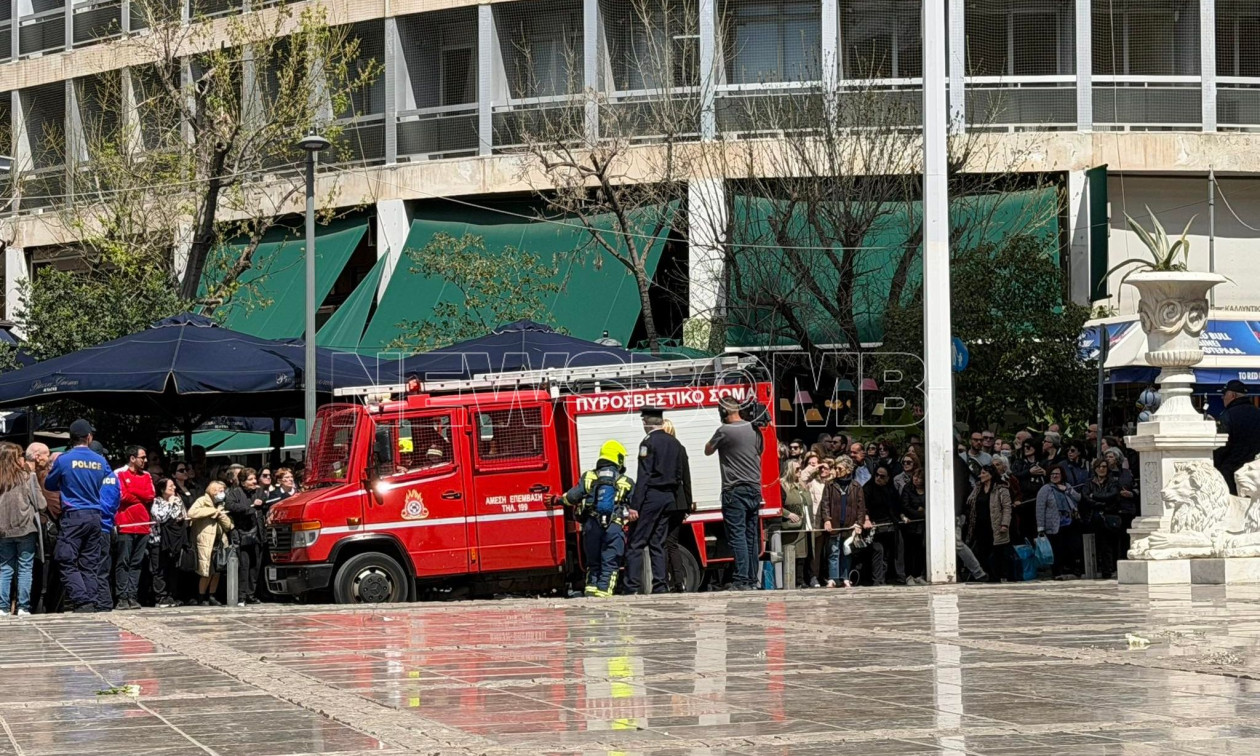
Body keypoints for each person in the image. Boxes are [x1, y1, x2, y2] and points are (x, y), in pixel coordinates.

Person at [44, 420, 111, 613]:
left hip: (73, 515)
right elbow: (105, 477)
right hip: (95, 515)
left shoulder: (64, 460)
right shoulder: (100, 460)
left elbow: (50, 485)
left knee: (65, 558)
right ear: (89, 437)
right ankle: (90, 600)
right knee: (89, 562)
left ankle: (82, 600)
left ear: (71, 438)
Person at [705, 397, 764, 591]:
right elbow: (760, 451)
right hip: (754, 489)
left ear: (723, 411)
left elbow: (708, 450)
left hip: (734, 490)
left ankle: (740, 580)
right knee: (751, 536)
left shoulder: (724, 431)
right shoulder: (755, 430)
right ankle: (751, 580)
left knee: (737, 536)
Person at [562, 440, 634, 597]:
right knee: (610, 565)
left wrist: (558, 500)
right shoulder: (625, 481)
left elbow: (573, 497)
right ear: (619, 459)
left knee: (593, 564)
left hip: (591, 527)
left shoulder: (588, 477)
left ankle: (590, 595)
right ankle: (603, 597)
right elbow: (636, 504)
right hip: (613, 527)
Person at [625, 407, 683, 595]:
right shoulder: (674, 442)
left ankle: (631, 586)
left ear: (645, 423)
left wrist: (635, 506)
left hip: (652, 496)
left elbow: (644, 476)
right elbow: (679, 472)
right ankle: (660, 585)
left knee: (636, 542)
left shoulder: (647, 443)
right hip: (669, 497)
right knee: (658, 542)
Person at [0, 442, 46, 616]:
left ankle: (2, 608)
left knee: (5, 568)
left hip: (3, 530)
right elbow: (41, 504)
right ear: (14, 458)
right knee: (25, 568)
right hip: (26, 529)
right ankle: (23, 607)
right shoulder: (28, 477)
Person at [112, 446, 155, 610]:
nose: (145, 461)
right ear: (132, 458)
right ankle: (122, 597)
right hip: (126, 524)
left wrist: (134, 492)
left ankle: (132, 595)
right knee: (123, 561)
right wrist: (139, 495)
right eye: (142, 457)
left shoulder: (147, 475)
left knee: (137, 563)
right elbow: (121, 495)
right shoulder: (119, 473)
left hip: (143, 525)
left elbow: (150, 495)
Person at [819, 457, 868, 588]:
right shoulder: (830, 485)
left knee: (846, 551)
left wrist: (859, 523)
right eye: (836, 467)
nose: (836, 470)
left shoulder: (856, 486)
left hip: (850, 523)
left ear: (848, 470)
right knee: (833, 551)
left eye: (839, 468)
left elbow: (861, 507)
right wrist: (827, 520)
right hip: (835, 523)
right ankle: (833, 578)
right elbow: (825, 504)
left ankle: (845, 577)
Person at [660, 420, 694, 593]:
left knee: (663, 543)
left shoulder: (658, 450)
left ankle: (663, 581)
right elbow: (686, 478)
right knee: (672, 543)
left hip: (664, 503)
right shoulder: (680, 449)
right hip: (679, 502)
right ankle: (679, 582)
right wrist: (688, 504)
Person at [223, 468, 265, 605]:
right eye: (250, 479)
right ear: (242, 481)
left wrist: (261, 503)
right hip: (243, 533)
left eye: (254, 479)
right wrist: (250, 508)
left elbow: (265, 500)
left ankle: (251, 594)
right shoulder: (234, 493)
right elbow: (230, 506)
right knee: (244, 565)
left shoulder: (258, 491)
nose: (254, 482)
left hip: (257, 533)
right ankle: (241, 596)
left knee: (255, 566)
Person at [965, 465, 1012, 582]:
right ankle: (987, 575)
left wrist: (1005, 523)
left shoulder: (1001, 488)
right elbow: (969, 502)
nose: (981, 475)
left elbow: (1007, 507)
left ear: (991, 475)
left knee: (998, 552)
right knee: (982, 552)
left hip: (995, 525)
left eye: (984, 473)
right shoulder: (978, 488)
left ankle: (1000, 576)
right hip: (980, 525)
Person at [189, 481, 233, 605]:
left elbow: (229, 525)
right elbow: (191, 513)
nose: (222, 493)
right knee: (206, 571)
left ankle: (212, 595)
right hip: (205, 541)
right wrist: (211, 511)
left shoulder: (221, 505)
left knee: (217, 571)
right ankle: (201, 597)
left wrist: (220, 515)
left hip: (219, 542)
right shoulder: (202, 500)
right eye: (220, 490)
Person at [1036, 465, 1082, 580]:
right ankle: (1057, 573)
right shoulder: (1045, 489)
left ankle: (1071, 571)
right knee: (1057, 550)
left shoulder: (1067, 486)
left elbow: (1078, 498)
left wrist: (1068, 490)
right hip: (1054, 525)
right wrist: (1040, 527)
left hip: (1069, 522)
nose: (1055, 476)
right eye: (1052, 474)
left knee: (1071, 547)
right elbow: (1040, 508)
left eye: (1057, 474)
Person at [863, 464, 906, 586]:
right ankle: (877, 580)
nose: (878, 478)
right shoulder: (868, 488)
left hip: (891, 524)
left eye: (882, 476)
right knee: (878, 550)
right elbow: (864, 507)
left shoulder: (891, 490)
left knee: (889, 552)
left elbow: (897, 506)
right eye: (876, 475)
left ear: (888, 478)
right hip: (874, 525)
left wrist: (902, 516)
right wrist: (867, 519)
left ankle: (890, 577)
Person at [1215, 380, 1260, 495]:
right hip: (1254, 470)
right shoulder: (1257, 412)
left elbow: (1223, 444)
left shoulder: (1228, 415)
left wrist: (1216, 464)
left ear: (1232, 395)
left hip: (1231, 469)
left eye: (1224, 394)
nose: (1222, 398)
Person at [149, 477, 187, 608]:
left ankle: (172, 595)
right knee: (159, 569)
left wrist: (178, 504)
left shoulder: (177, 499)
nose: (174, 488)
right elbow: (161, 517)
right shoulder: (156, 502)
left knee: (173, 568)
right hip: (158, 540)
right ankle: (161, 597)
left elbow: (182, 516)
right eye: (170, 486)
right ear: (162, 489)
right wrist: (169, 504)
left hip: (173, 540)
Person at [1081, 458, 1121, 579]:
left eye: (1104, 466)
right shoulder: (1089, 482)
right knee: (1096, 544)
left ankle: (1108, 571)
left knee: (1108, 545)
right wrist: (1101, 502)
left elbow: (1112, 496)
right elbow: (1086, 497)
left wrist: (1096, 497)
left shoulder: (1113, 482)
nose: (1102, 469)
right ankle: (1096, 569)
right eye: (1099, 467)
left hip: (1108, 517)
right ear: (1095, 469)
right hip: (1093, 517)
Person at [899, 468, 927, 582]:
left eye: (920, 478)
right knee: (910, 550)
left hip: (923, 526)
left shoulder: (928, 489)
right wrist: (920, 513)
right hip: (910, 524)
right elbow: (905, 506)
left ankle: (919, 575)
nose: (916, 479)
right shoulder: (907, 488)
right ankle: (909, 575)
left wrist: (922, 512)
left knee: (921, 550)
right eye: (915, 477)